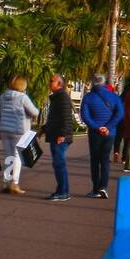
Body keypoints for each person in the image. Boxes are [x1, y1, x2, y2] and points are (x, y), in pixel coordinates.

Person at [0, 75, 39, 196]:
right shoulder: (23, 98)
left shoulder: (3, 97)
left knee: (9, 156)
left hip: (4, 130)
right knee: (17, 157)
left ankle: (6, 182)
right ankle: (14, 183)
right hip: (19, 131)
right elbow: (34, 112)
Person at [81, 74, 124, 199]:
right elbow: (120, 113)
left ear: (93, 83)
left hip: (95, 133)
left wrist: (97, 127)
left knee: (95, 161)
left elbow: (85, 116)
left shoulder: (88, 97)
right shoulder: (114, 97)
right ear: (104, 83)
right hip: (110, 133)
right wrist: (108, 127)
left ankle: (96, 189)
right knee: (105, 160)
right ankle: (103, 187)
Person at [42, 73, 76, 201]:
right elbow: (54, 118)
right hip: (56, 135)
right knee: (58, 164)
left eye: (52, 81)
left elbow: (66, 118)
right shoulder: (57, 97)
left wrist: (62, 134)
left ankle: (63, 192)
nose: (49, 83)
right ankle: (62, 191)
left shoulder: (62, 97)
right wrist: (43, 128)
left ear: (59, 84)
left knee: (59, 164)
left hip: (60, 137)